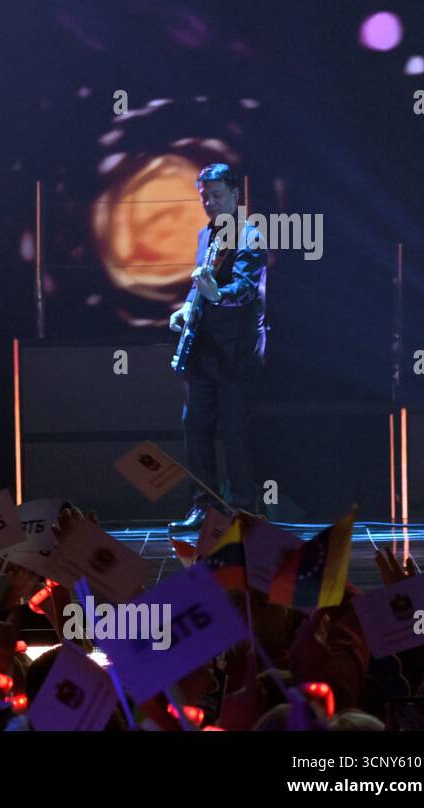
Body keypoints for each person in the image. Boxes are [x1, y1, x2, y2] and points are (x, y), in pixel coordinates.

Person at [167, 163, 268, 532]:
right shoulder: (204, 236)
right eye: (204, 196)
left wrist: (216, 295)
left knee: (234, 430)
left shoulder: (251, 236)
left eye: (217, 195)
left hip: (237, 350)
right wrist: (187, 307)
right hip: (204, 349)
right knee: (194, 427)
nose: (209, 202)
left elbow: (242, 289)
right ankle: (203, 507)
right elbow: (200, 284)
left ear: (235, 196)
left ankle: (243, 507)